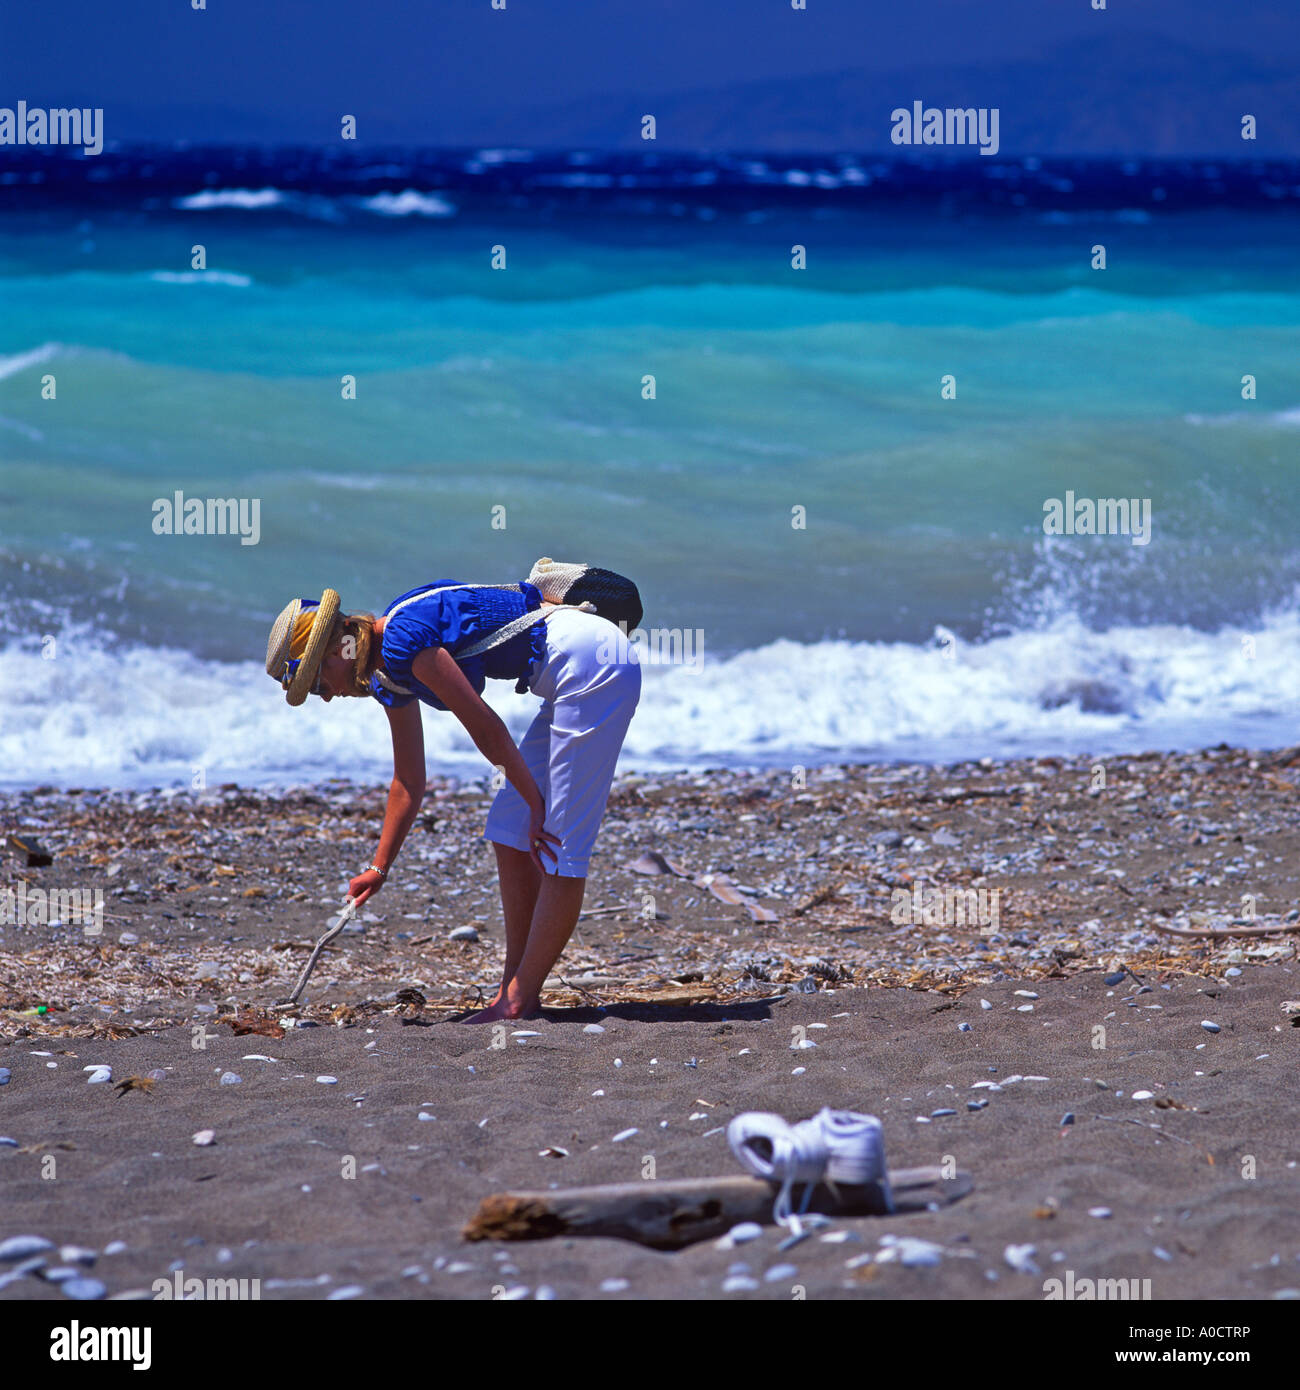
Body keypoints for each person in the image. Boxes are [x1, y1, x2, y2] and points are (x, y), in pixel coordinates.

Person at [265, 578, 640, 1022]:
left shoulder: (403, 640)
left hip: (594, 665)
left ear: (338, 648)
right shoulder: (387, 672)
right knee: (508, 828)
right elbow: (408, 779)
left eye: (315, 682)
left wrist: (539, 805)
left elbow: (485, 728)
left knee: (559, 842)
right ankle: (513, 990)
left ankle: (518, 1001)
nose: (324, 696)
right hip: (567, 670)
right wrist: (378, 867)